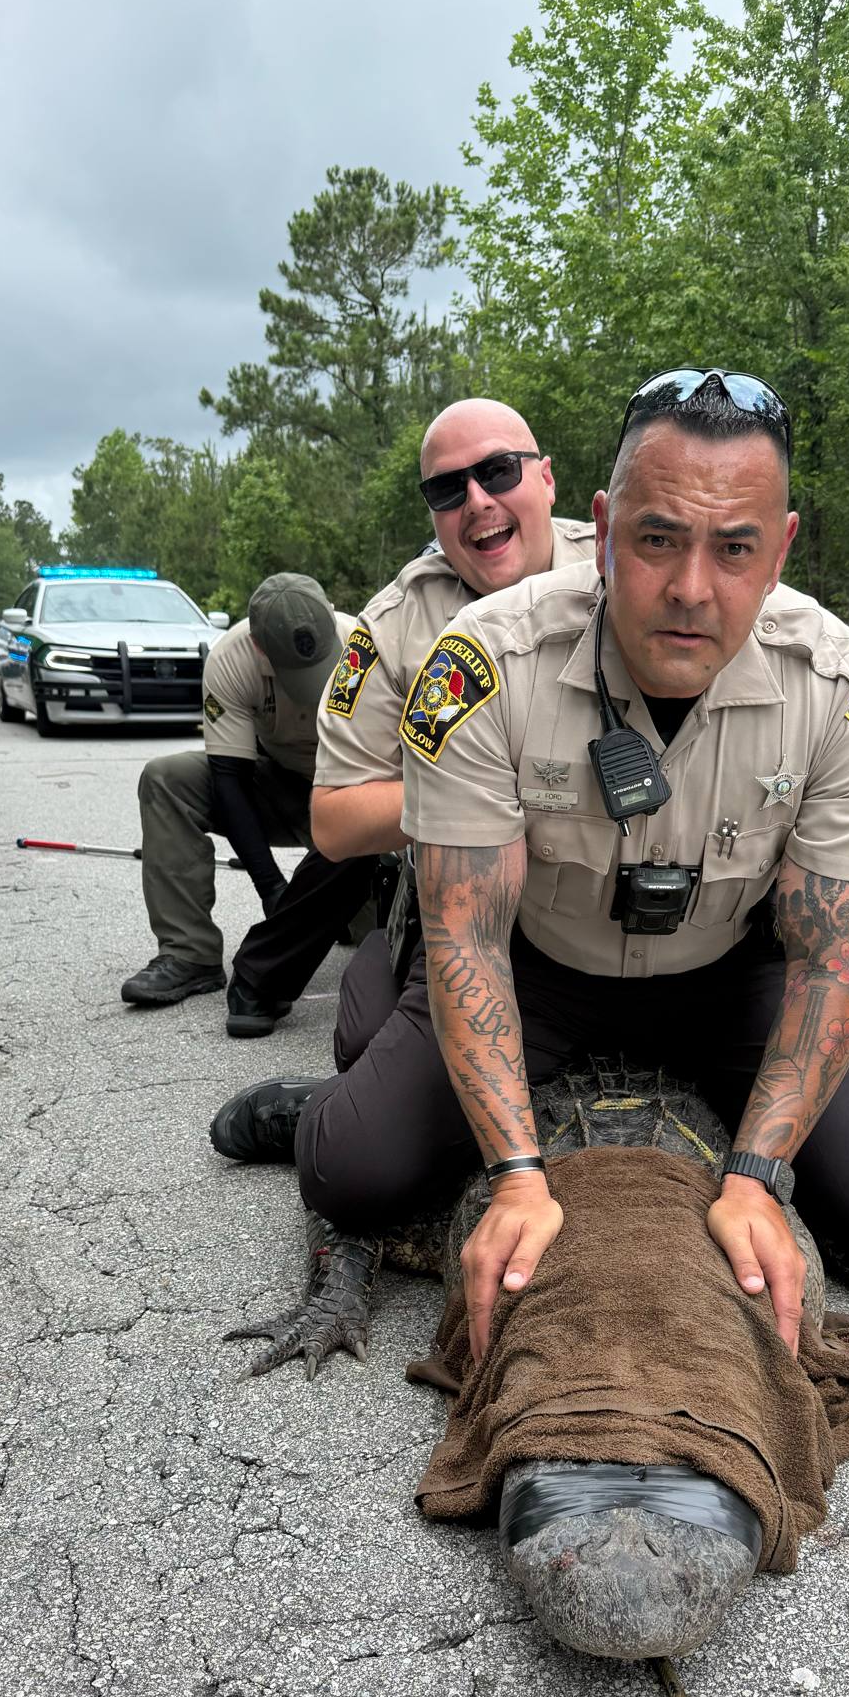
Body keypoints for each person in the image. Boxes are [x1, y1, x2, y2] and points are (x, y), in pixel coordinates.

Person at [216, 369, 849, 1357]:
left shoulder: (847, 692)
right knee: (350, 1169)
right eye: (657, 539)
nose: (691, 587)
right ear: (605, 527)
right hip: (536, 963)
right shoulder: (481, 663)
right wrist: (517, 1175)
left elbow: (830, 958)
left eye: (735, 547)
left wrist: (757, 1177)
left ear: (780, 548)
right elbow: (465, 937)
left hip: (728, 971)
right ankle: (323, 1099)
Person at [209, 396, 594, 1144]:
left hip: (621, 906)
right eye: (448, 489)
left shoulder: (627, 571)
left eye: (498, 471)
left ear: (546, 477)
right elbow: (334, 821)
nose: (476, 500)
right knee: (363, 1057)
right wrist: (496, 790)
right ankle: (337, 1089)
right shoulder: (389, 627)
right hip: (464, 902)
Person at [120, 573, 364, 1037]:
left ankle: (353, 913)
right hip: (278, 786)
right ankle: (189, 953)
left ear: (332, 617)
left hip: (351, 795)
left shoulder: (368, 644)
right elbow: (228, 782)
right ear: (258, 647)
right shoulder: (231, 659)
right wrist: (273, 889)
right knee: (167, 779)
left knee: (375, 936)